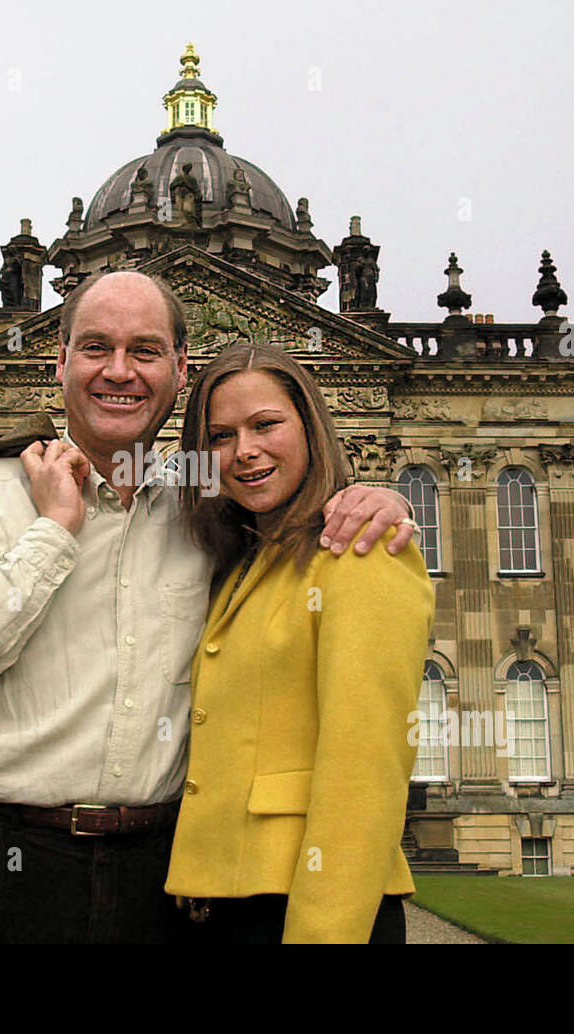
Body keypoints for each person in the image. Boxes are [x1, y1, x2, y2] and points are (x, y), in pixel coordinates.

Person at [0, 270, 417, 943]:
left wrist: (381, 503)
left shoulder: (205, 511)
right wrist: (53, 530)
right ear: (58, 361)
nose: (120, 371)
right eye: (95, 348)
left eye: (144, 350)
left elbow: (300, 522)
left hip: (160, 882)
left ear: (178, 368)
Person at [163, 342, 435, 943]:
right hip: (215, 904)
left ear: (309, 429)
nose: (245, 451)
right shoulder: (243, 560)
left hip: (302, 909)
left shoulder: (362, 550)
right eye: (219, 436)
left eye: (266, 424)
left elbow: (363, 776)